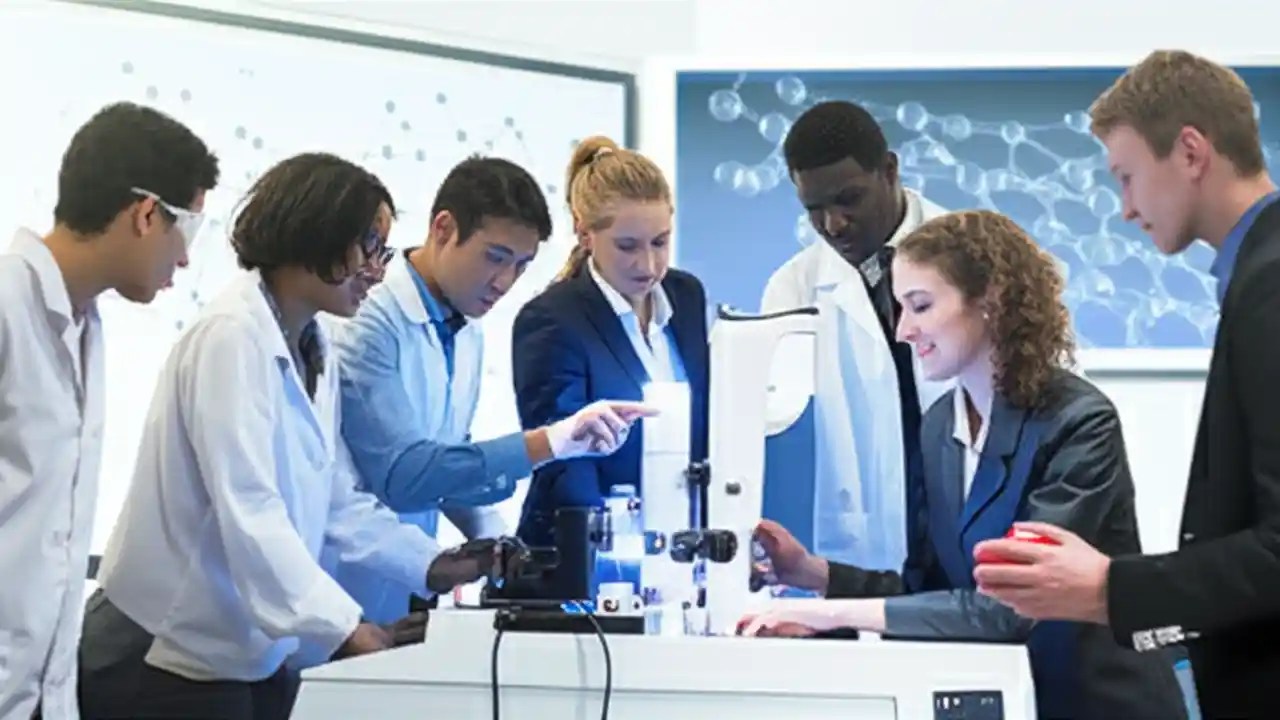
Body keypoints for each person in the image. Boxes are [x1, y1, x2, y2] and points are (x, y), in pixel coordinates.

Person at [75, 153, 548, 720]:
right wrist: (346, 627)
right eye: (371, 247)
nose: (379, 268)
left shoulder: (312, 344)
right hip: (157, 646)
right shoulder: (232, 338)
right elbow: (250, 510)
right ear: (317, 236)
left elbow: (336, 501)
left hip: (237, 650)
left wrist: (433, 563)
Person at [739, 210, 1188, 719]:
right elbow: (930, 593)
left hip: (1102, 702)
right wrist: (814, 573)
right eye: (899, 308)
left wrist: (821, 613)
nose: (903, 330)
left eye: (921, 306)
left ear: (989, 302)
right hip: (1011, 697)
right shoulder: (937, 428)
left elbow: (1009, 607)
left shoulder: (1079, 422)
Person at [972, 50, 1280, 718]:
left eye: (1128, 177)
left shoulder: (1271, 285)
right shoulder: (1256, 278)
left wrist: (1114, 587)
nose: (1125, 209)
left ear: (1191, 152)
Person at [332, 155, 651, 623]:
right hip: (341, 586)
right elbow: (407, 476)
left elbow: (448, 456)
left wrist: (503, 545)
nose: (504, 282)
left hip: (396, 594)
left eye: (521, 266)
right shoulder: (369, 320)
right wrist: (552, 442)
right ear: (443, 228)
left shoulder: (465, 326)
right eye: (495, 258)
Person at [0, 101, 218, 720]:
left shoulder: (84, 324)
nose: (183, 259)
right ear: (147, 213)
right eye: (190, 232)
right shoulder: (7, 303)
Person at [759, 100, 950, 572]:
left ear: (889, 171)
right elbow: (777, 427)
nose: (833, 224)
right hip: (854, 550)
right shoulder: (794, 288)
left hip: (963, 530)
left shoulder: (975, 258)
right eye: (815, 209)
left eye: (848, 199)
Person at [512, 136, 710, 548]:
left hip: (676, 545)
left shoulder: (686, 296)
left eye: (660, 242)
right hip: (582, 555)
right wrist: (616, 550)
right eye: (628, 246)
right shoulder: (551, 320)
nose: (649, 265)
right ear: (585, 235)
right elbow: (565, 462)